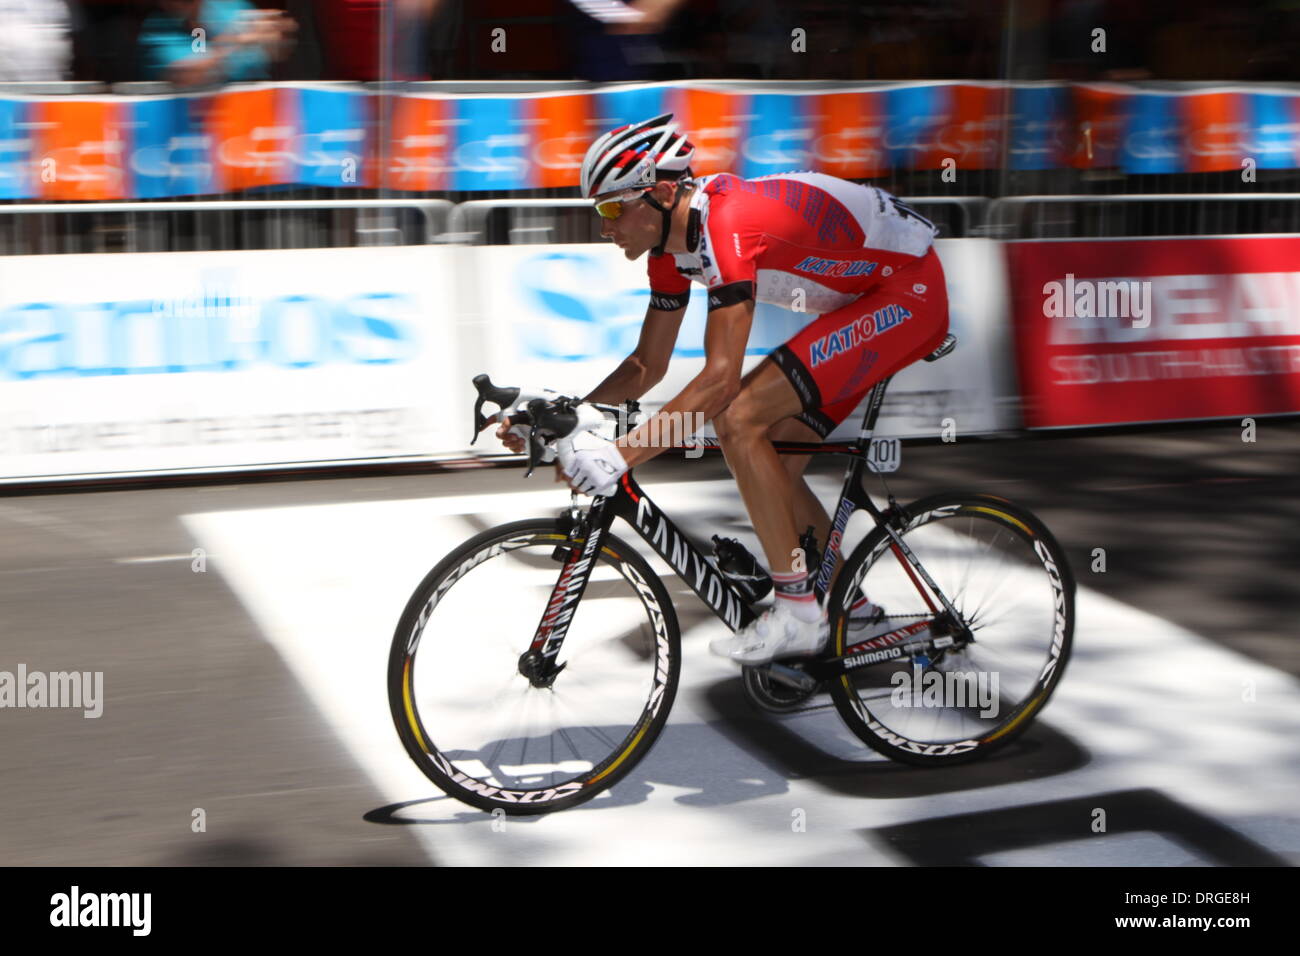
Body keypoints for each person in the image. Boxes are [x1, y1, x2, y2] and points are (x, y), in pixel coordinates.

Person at [498, 113, 950, 665]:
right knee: (769, 466)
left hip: (906, 294)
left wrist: (621, 454)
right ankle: (848, 610)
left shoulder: (728, 224)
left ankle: (799, 612)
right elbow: (647, 364)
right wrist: (567, 413)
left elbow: (718, 380)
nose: (604, 225)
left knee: (737, 418)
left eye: (613, 207)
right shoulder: (670, 251)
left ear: (663, 193)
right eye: (599, 210)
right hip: (862, 301)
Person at [138, 0, 296, 85]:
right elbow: (189, 76)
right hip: (192, 125)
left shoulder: (232, 7)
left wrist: (279, 37)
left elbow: (273, 54)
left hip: (250, 113)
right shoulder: (158, 28)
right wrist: (236, 41)